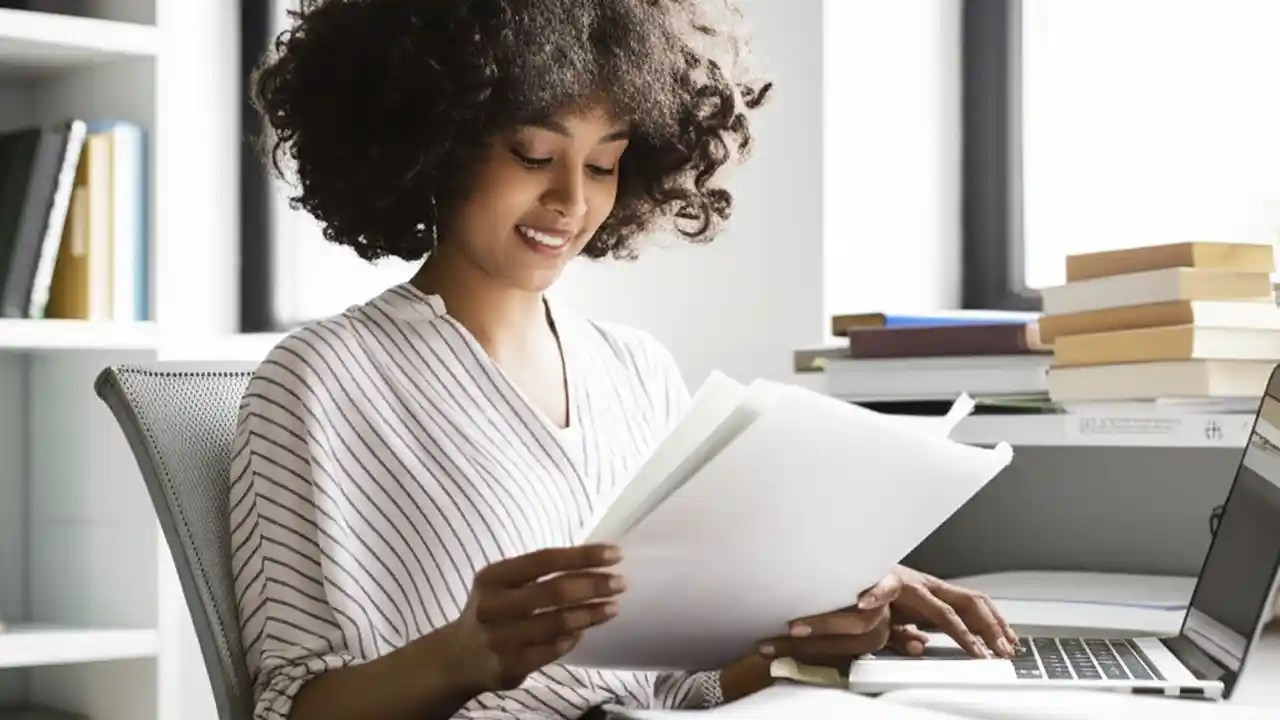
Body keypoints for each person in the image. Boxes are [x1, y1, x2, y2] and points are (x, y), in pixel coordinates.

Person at [229, 1, 1019, 718]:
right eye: (533, 155)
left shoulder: (635, 370)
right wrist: (459, 658)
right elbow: (292, 706)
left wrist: (807, 637)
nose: (573, 201)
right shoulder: (318, 382)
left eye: (604, 164)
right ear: (432, 145)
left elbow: (674, 692)